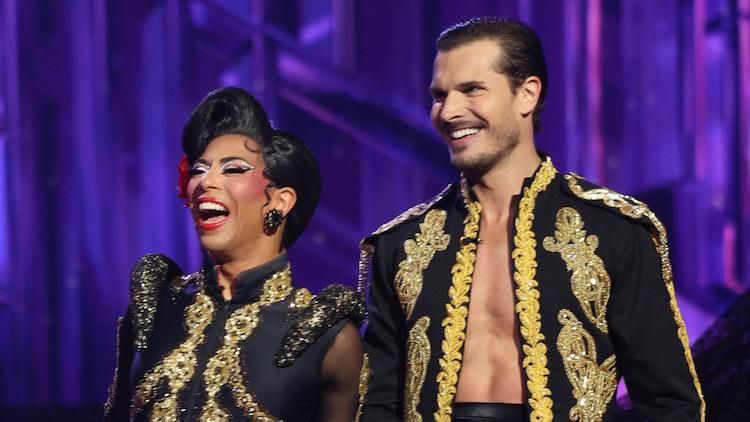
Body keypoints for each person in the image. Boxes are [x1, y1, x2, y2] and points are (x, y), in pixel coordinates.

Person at [358, 17, 704, 422]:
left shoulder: (613, 229)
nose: (449, 111)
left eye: (471, 90)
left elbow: (670, 404)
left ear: (527, 94)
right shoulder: (401, 244)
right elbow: (376, 405)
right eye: (439, 95)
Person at [103, 87, 365, 421]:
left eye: (233, 169)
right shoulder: (155, 310)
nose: (205, 182)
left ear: (279, 201)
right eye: (198, 170)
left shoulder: (327, 338)